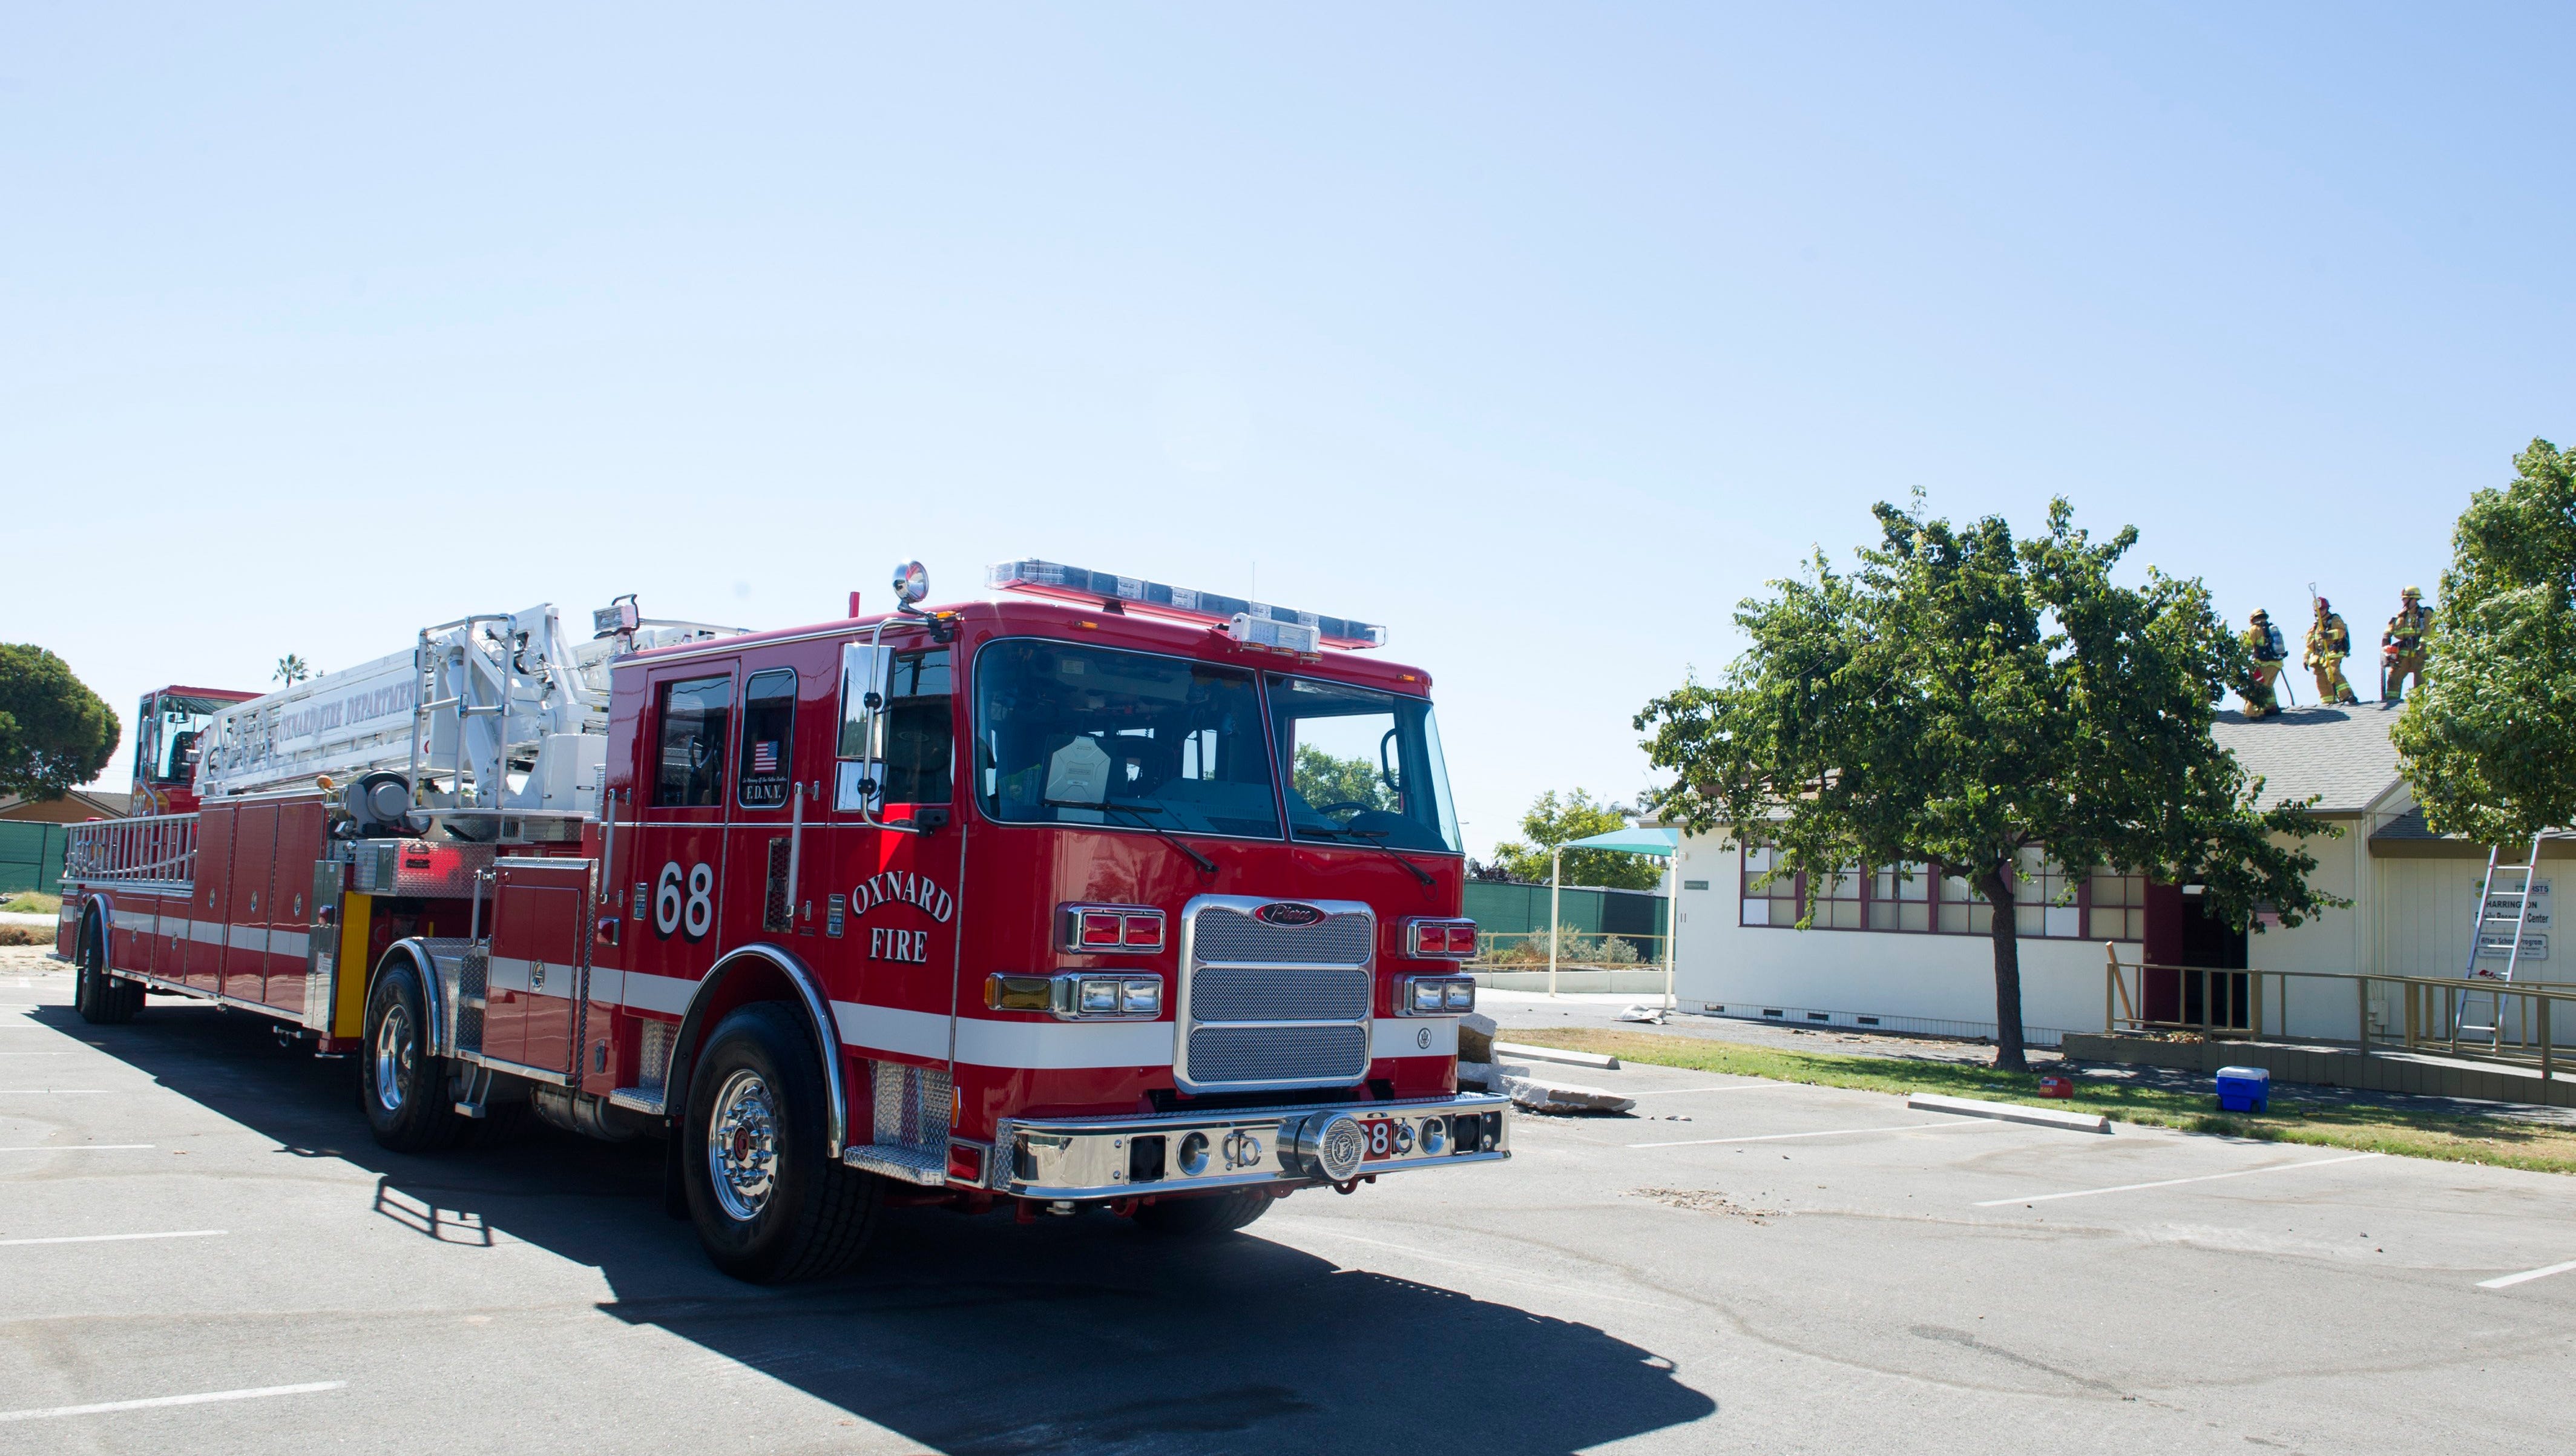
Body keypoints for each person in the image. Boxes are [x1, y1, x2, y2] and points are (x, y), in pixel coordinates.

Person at [2382, 585, 2433, 702]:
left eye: (2405, 598)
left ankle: (2420, 704)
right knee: (2393, 678)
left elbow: (2428, 631)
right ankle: (2391, 702)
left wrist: (2423, 646)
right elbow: (2388, 631)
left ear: (2414, 599)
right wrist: (2385, 645)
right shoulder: (2399, 617)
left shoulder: (2425, 613)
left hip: (2419, 653)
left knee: (2421, 680)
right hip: (2403, 653)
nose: (2403, 601)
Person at [2305, 597, 2358, 705]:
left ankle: (2347, 695)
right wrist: (2306, 658)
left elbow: (2341, 632)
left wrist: (2328, 635)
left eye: (2322, 609)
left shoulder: (2334, 619)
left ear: (2327, 608)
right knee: (2321, 679)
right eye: (2318, 610)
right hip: (2319, 657)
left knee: (2332, 671)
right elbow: (2310, 646)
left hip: (2333, 652)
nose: (2320, 612)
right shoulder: (2315, 627)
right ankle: (2328, 701)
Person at [2241, 609, 2286, 717]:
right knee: (2269, 686)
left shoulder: (2254, 629)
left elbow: (2246, 646)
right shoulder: (2273, 629)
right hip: (2277, 664)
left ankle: (2254, 712)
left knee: (2258, 687)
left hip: (2261, 666)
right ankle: (2272, 707)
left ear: (2252, 619)